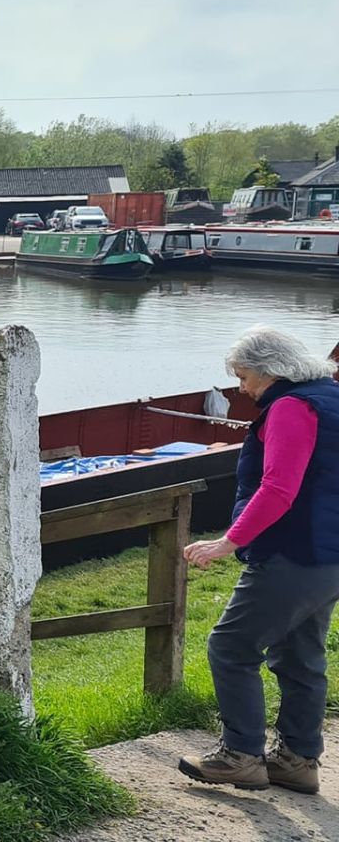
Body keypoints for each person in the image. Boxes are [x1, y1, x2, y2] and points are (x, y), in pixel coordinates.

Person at [178, 326, 339, 794]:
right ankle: (297, 761)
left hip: (293, 549)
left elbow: (278, 488)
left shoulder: (291, 406)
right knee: (300, 654)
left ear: (270, 370)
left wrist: (227, 542)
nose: (243, 389)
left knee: (231, 646)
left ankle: (240, 755)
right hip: (329, 554)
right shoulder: (331, 398)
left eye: (244, 377)